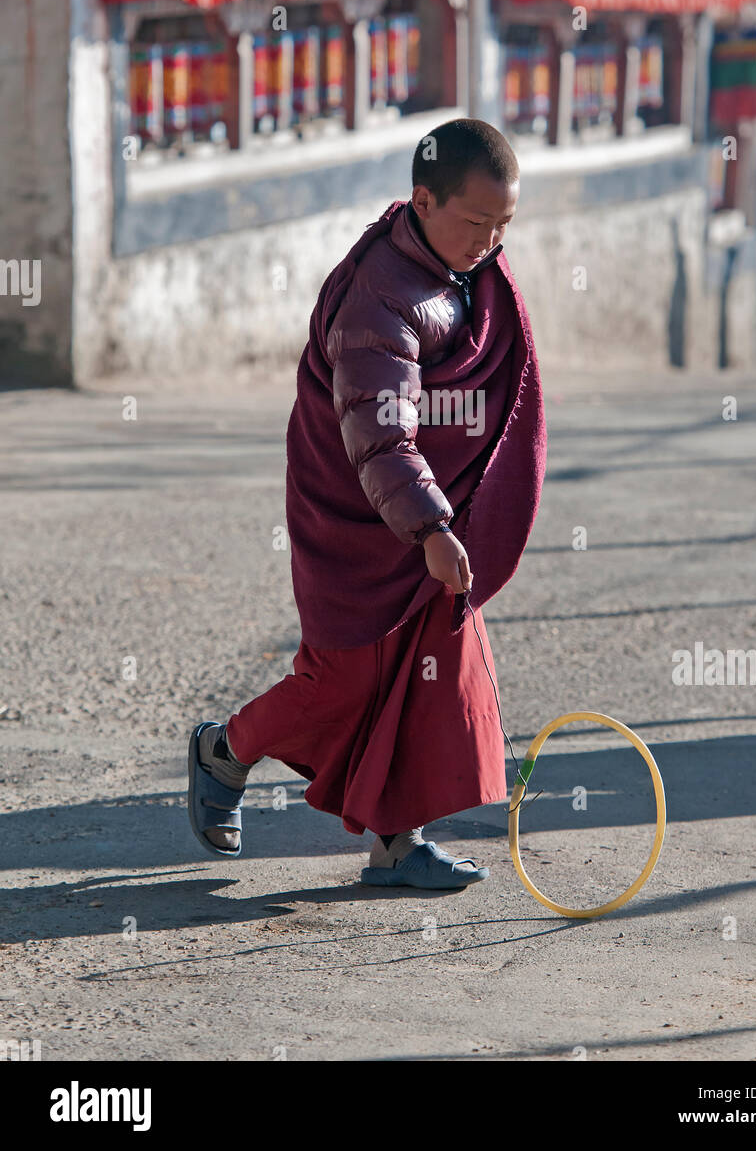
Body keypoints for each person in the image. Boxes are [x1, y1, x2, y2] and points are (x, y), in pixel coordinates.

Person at [187, 117, 547, 889]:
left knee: (430, 669)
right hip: (356, 517)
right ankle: (225, 750)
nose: (490, 241)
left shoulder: (463, 271)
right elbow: (381, 434)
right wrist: (429, 524)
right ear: (422, 200)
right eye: (475, 221)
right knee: (346, 679)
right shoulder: (377, 301)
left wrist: (443, 517)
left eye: (504, 223)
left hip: (428, 513)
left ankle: (395, 846)